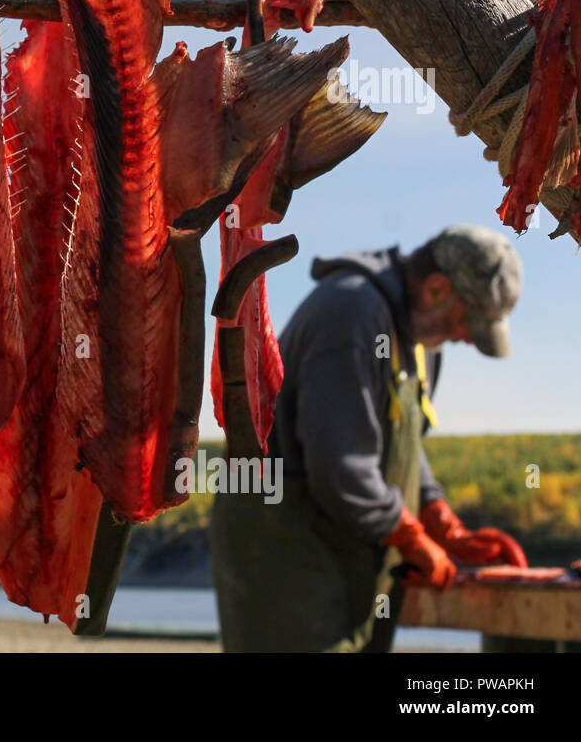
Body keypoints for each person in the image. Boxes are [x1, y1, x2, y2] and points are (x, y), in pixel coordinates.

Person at [210, 224, 528, 652]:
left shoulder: (420, 339)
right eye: (465, 322)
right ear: (436, 289)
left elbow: (406, 448)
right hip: (284, 547)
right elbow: (342, 469)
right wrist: (414, 539)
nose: (466, 338)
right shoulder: (352, 312)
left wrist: (446, 528)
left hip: (348, 551)